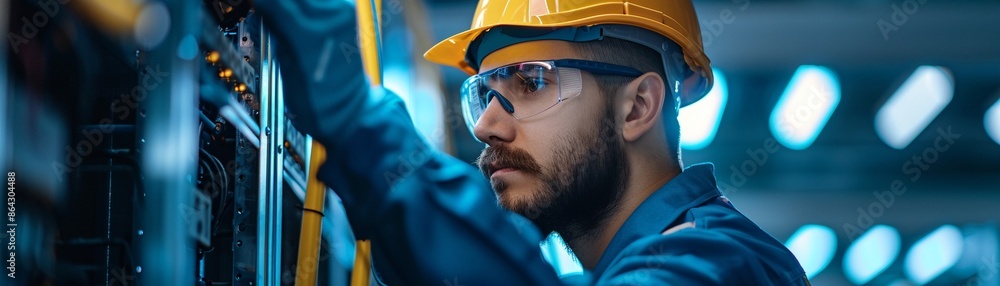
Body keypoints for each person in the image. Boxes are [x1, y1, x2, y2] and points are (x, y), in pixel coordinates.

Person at [254, 0, 809, 284]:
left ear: (638, 106)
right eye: (485, 94)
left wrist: (358, 121)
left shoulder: (718, 262)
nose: (486, 126)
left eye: (532, 81)